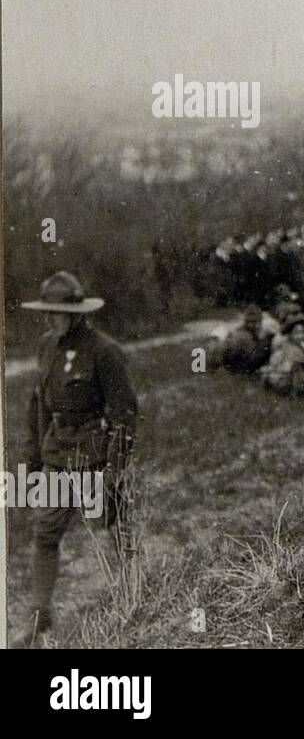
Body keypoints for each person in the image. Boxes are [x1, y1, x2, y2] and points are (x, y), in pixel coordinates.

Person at [13, 272, 139, 648]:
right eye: (46, 313)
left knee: (114, 525)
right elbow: (39, 406)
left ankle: (131, 597)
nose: (50, 319)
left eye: (56, 313)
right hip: (58, 454)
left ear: (77, 314)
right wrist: (34, 459)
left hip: (94, 457)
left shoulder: (105, 351)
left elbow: (125, 413)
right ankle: (40, 615)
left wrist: (114, 471)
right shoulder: (46, 346)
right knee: (45, 531)